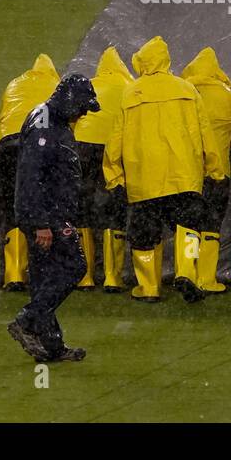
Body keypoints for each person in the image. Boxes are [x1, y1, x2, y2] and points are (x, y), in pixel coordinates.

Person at [103, 36, 224, 303]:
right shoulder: (187, 89)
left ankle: (149, 287)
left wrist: (114, 176)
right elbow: (206, 132)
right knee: (188, 226)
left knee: (144, 234)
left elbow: (116, 140)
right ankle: (186, 272)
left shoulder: (131, 93)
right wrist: (215, 169)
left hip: (143, 178)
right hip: (184, 175)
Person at [8, 75, 101, 363]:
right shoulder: (46, 129)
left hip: (45, 212)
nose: (84, 113)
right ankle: (28, 320)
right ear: (70, 100)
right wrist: (41, 224)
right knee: (75, 266)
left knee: (43, 275)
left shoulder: (46, 118)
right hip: (48, 215)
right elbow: (31, 175)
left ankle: (50, 347)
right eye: (82, 107)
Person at [0, 55, 60, 291]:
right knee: (47, 203)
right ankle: (47, 272)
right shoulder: (56, 86)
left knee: (13, 206)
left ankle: (14, 273)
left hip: (8, 145)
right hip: (40, 145)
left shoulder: (15, 83)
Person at [181, 47, 231, 293]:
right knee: (211, 224)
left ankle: (187, 272)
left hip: (188, 172)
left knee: (188, 224)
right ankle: (207, 278)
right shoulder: (228, 95)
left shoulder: (185, 93)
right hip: (219, 171)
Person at [72, 47, 134, 292]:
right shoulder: (129, 87)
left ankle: (84, 275)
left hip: (82, 145)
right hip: (114, 146)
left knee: (81, 206)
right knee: (114, 206)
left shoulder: (89, 85)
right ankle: (112, 276)